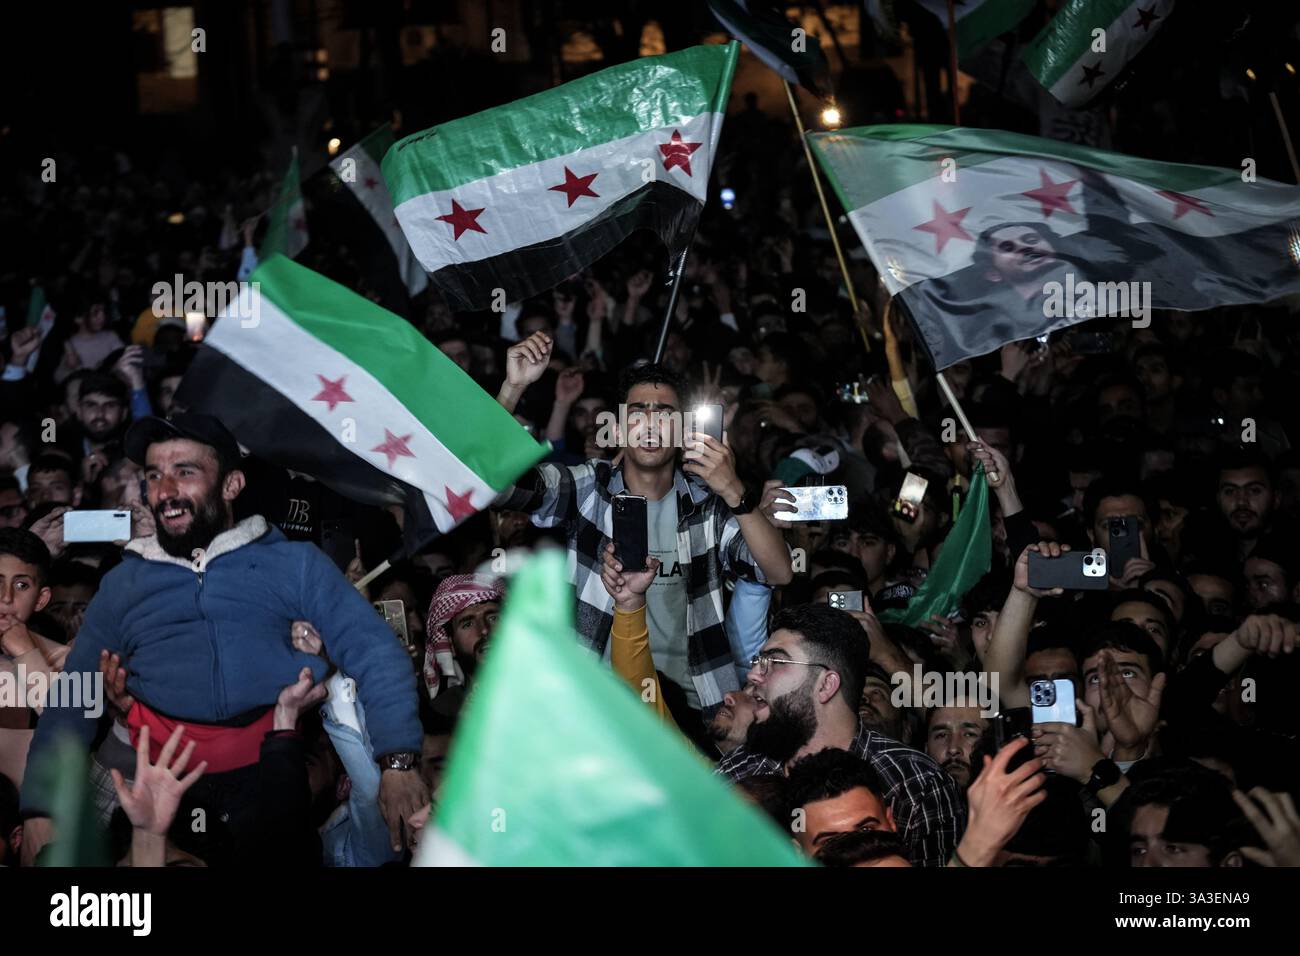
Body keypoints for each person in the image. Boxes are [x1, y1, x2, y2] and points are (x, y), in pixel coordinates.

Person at [18, 412, 426, 864]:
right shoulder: (125, 583)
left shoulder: (295, 566)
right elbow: (76, 692)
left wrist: (398, 764)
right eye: (154, 476)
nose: (166, 490)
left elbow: (375, 651)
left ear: (231, 486)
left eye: (185, 472)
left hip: (268, 775)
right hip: (148, 778)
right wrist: (39, 807)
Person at [494, 336, 793, 743]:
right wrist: (513, 388)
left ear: (683, 430)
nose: (651, 423)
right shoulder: (589, 488)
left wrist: (735, 492)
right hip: (596, 714)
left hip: (693, 713)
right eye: (638, 413)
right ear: (617, 428)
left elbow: (778, 572)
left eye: (664, 413)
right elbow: (498, 487)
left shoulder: (708, 504)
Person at [716, 603, 963, 867]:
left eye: (774, 662)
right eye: (758, 662)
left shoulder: (916, 784)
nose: (753, 675)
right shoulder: (739, 769)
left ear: (826, 685)